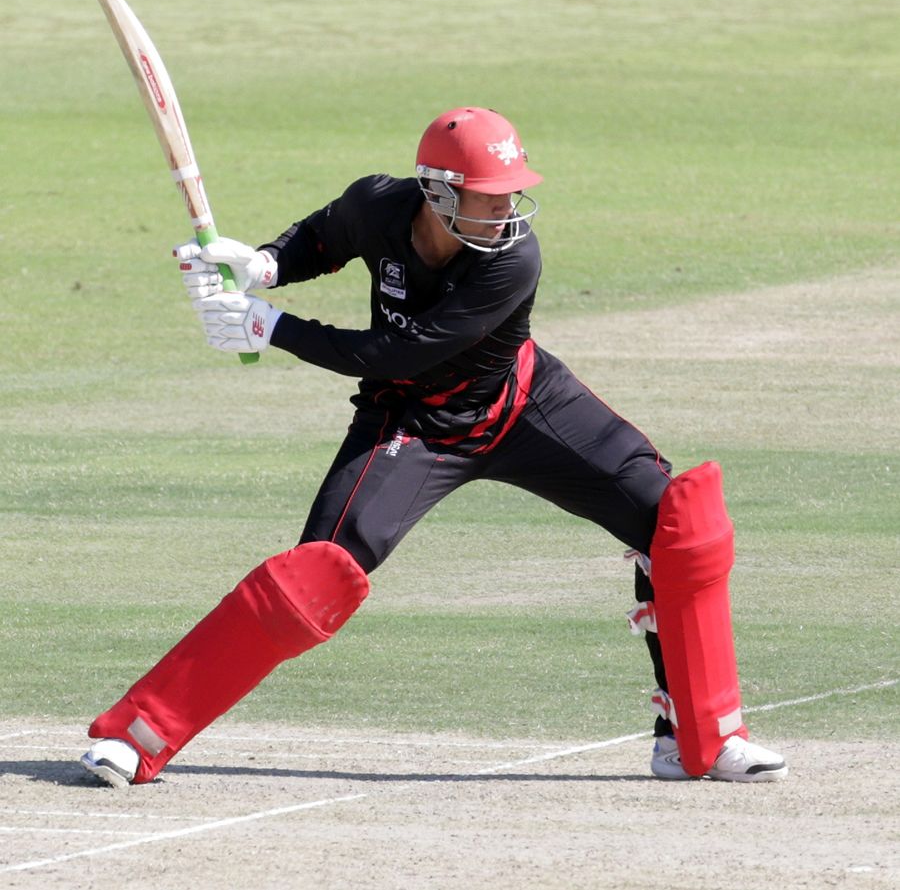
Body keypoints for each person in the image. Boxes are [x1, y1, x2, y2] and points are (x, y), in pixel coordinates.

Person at [80, 106, 787, 787]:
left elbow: (397, 351)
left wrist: (267, 327)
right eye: (488, 196)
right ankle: (137, 732)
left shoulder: (513, 259)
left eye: (513, 193)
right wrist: (263, 266)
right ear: (437, 193)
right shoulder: (378, 205)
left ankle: (702, 738)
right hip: (411, 423)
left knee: (678, 521)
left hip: (520, 403)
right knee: (313, 576)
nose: (506, 209)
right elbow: (322, 239)